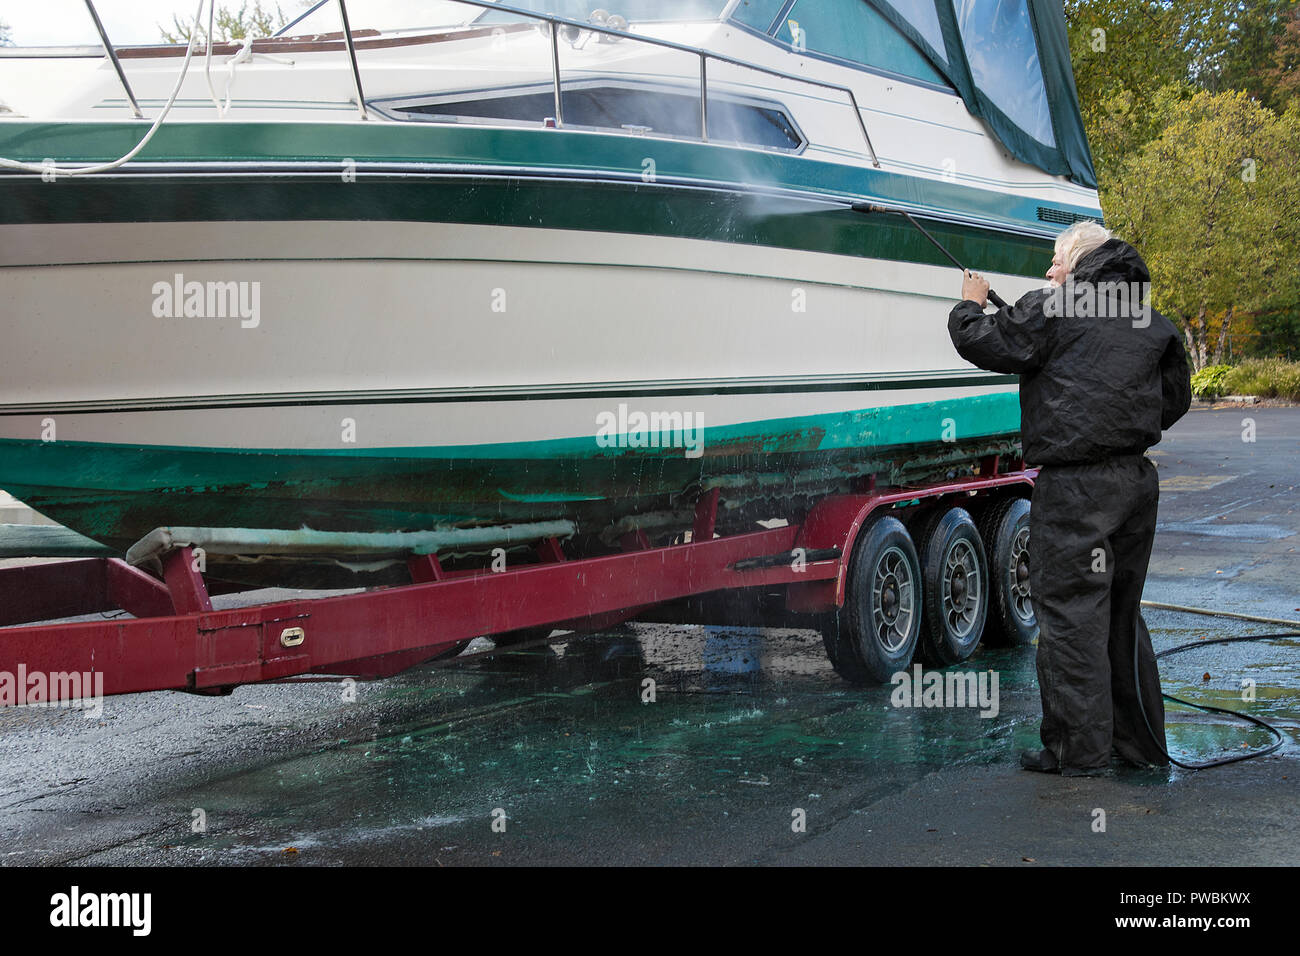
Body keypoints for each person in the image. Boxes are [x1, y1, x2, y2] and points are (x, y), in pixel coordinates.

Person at [948, 221, 1192, 776]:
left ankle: (1077, 754)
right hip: (1134, 485)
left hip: (1074, 489)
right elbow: (1173, 398)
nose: (1048, 272)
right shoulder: (1148, 320)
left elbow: (982, 342)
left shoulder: (1055, 307)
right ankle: (1140, 748)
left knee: (1071, 618)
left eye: (1055, 261)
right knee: (1122, 617)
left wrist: (969, 305)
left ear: (1080, 264)